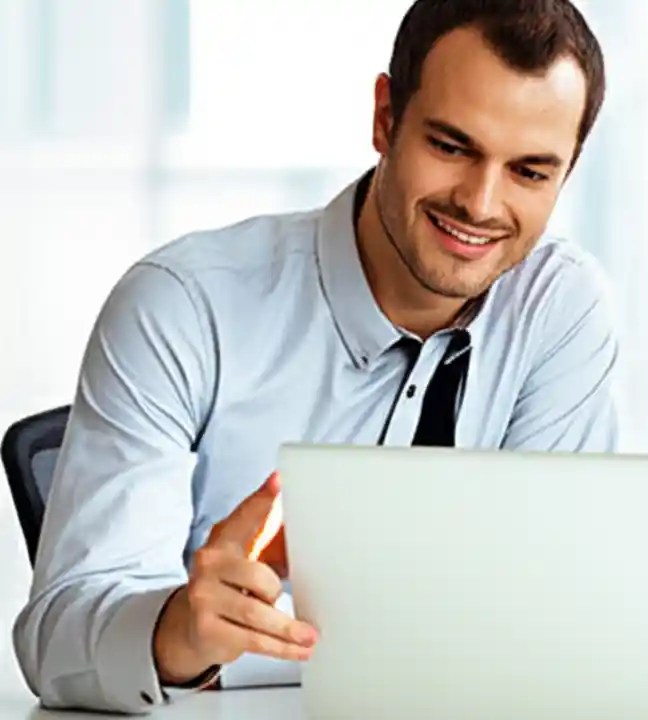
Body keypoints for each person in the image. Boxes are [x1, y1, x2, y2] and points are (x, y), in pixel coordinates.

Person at [14, 0, 614, 713]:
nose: (481, 204)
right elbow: (55, 642)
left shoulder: (560, 309)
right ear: (385, 119)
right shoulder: (183, 306)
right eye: (451, 147)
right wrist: (178, 631)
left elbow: (550, 615)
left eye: (530, 172)